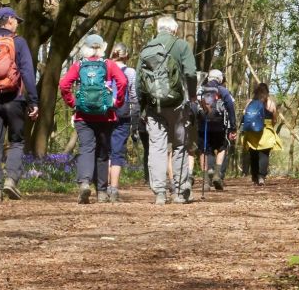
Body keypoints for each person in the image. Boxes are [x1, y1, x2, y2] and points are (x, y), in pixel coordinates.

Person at [0, 6, 39, 202]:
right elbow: (27, 72)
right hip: (14, 99)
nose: (18, 23)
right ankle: (11, 179)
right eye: (16, 20)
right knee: (17, 142)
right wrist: (33, 101)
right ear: (9, 20)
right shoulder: (18, 42)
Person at [59, 34, 128, 204]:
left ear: (85, 48)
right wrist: (117, 102)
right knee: (103, 152)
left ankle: (84, 183)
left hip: (83, 115)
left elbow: (63, 85)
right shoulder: (109, 65)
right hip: (106, 115)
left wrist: (73, 103)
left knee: (86, 148)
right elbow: (123, 82)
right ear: (102, 48)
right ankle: (102, 192)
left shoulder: (78, 65)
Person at [137, 15, 197, 204]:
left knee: (157, 148)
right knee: (180, 146)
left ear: (158, 28)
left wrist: (142, 108)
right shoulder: (181, 46)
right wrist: (192, 95)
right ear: (174, 30)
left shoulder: (147, 49)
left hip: (154, 106)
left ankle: (160, 193)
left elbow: (138, 82)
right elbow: (190, 73)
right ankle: (179, 192)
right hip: (178, 106)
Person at [107, 43, 140, 202]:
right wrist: (135, 117)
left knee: (105, 150)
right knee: (117, 150)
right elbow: (134, 96)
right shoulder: (130, 72)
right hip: (123, 112)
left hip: (104, 111)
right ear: (126, 55)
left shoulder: (104, 68)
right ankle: (113, 189)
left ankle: (103, 188)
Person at [196, 69, 236, 190]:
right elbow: (230, 106)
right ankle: (217, 175)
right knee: (222, 148)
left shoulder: (201, 89)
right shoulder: (222, 90)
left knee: (204, 151)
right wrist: (233, 127)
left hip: (203, 125)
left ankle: (206, 181)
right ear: (220, 78)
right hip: (219, 125)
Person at [240, 82, 282, 186]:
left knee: (253, 154)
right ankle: (261, 177)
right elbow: (274, 119)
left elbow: (245, 115)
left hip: (252, 131)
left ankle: (254, 177)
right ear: (267, 92)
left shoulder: (250, 102)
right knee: (264, 154)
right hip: (266, 130)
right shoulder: (270, 103)